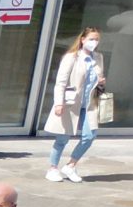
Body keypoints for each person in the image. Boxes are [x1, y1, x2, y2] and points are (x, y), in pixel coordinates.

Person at [45, 27, 106, 182]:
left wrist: (101, 83)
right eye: (91, 39)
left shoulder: (98, 58)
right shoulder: (72, 57)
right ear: (82, 39)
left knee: (90, 136)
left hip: (89, 103)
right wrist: (59, 103)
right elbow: (61, 82)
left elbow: (97, 81)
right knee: (62, 138)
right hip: (70, 102)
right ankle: (53, 168)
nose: (94, 42)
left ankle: (71, 165)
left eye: (97, 39)